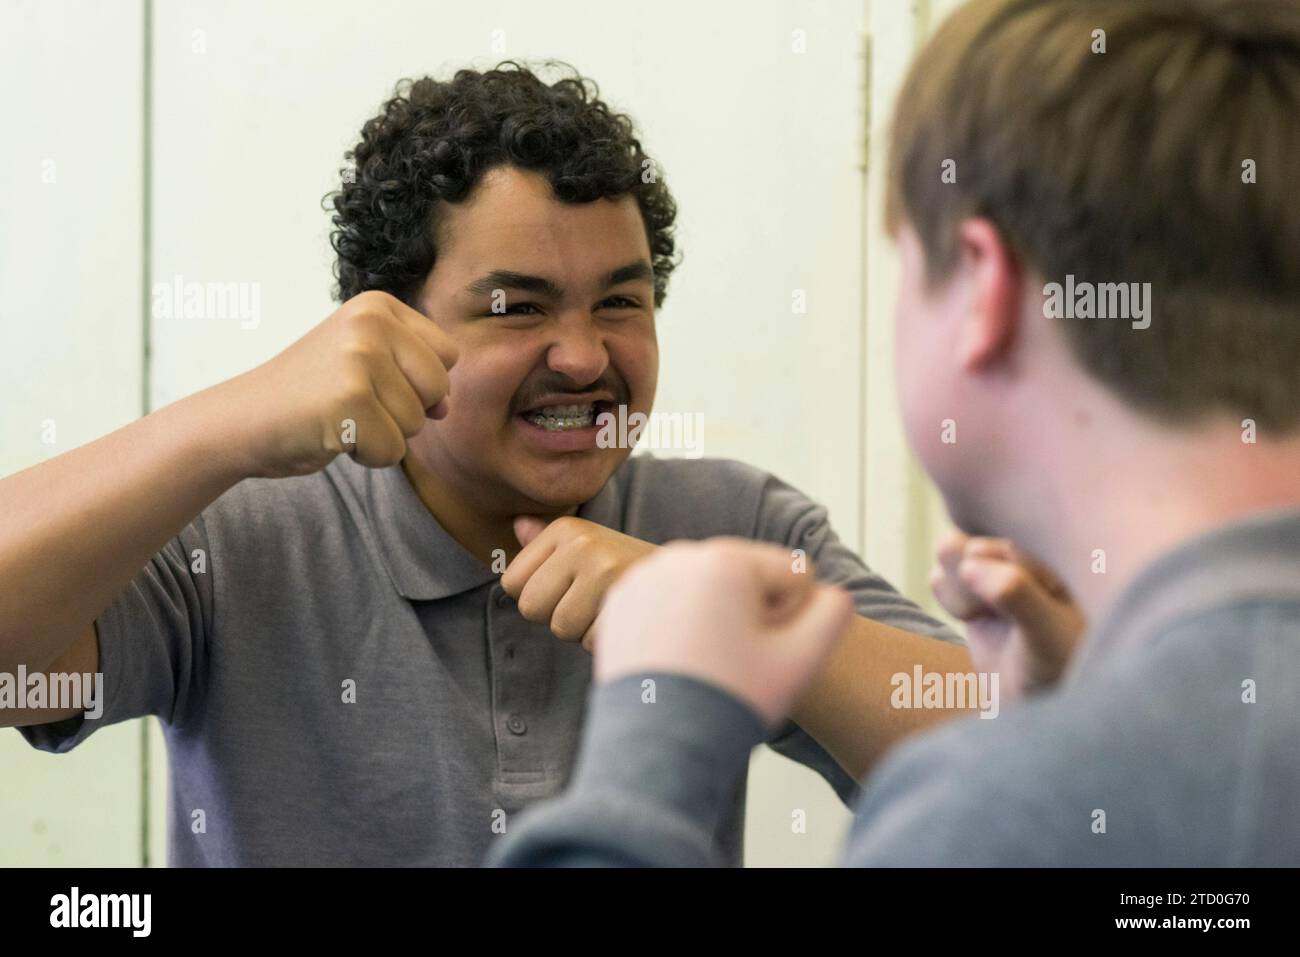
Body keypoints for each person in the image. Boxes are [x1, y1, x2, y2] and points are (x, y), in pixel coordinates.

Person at [1, 63, 1060, 865]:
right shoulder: (241, 537)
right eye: (517, 308)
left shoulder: (732, 523)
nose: (586, 357)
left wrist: (705, 612)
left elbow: (1028, 769)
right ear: (381, 326)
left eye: (621, 301)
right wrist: (221, 427)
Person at [490, 0, 1300, 867]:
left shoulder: (991, 815)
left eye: (904, 257)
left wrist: (649, 756)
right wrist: (1055, 713)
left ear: (982, 288)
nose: (579, 356)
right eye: (517, 306)